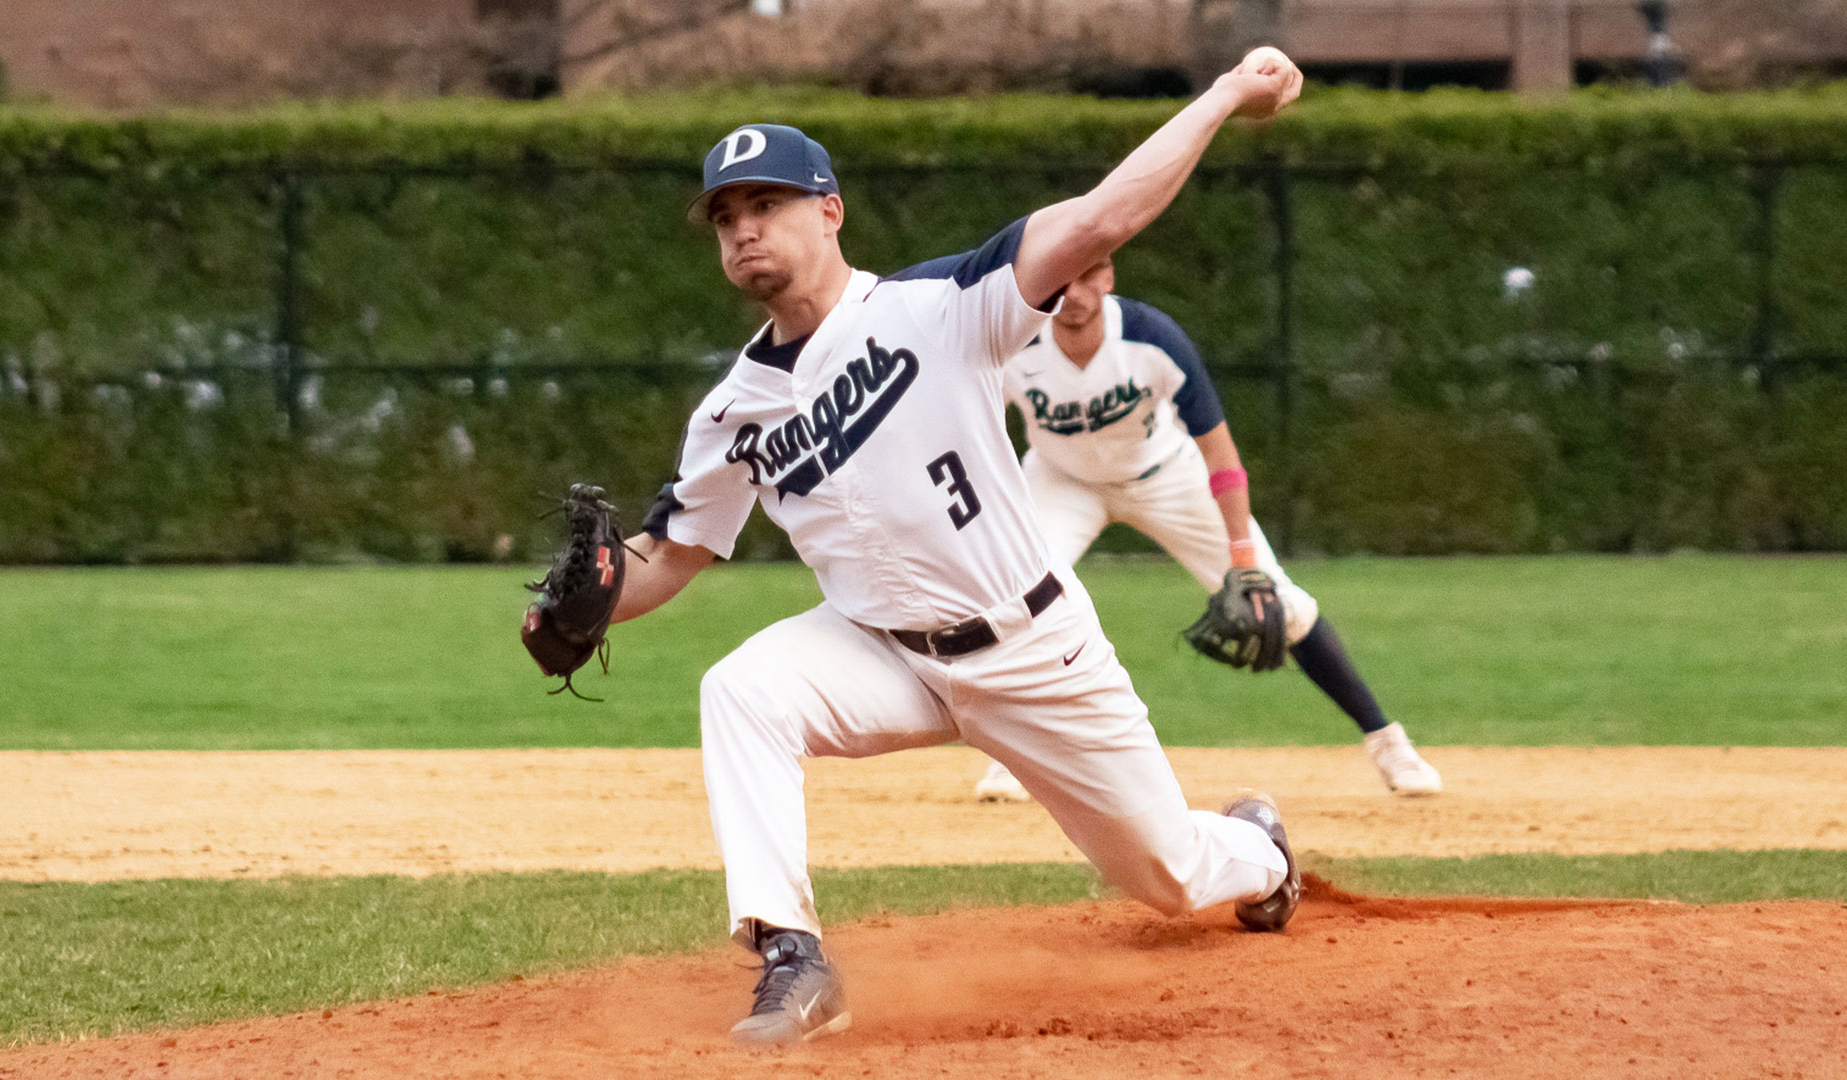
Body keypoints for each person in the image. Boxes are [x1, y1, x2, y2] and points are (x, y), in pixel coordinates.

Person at [609, 48, 1306, 1047]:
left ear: (830, 211)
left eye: (766, 203)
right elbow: (669, 555)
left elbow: (1101, 218)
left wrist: (1228, 94)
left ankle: (1260, 852)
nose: (744, 227)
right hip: (883, 653)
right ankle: (792, 957)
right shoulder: (732, 412)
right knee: (742, 690)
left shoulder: (941, 306)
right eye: (726, 216)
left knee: (1168, 875)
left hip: (1033, 648)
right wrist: (578, 602)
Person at [972, 260, 1442, 804]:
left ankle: (1388, 742)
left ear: (1108, 278)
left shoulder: (1151, 338)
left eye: (1086, 276)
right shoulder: (1015, 343)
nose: (1072, 293)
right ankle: (1011, 757)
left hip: (1165, 476)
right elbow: (972, 431)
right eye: (1061, 278)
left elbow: (1220, 454)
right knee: (1015, 605)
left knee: (1279, 604)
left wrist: (1242, 554)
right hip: (1062, 480)